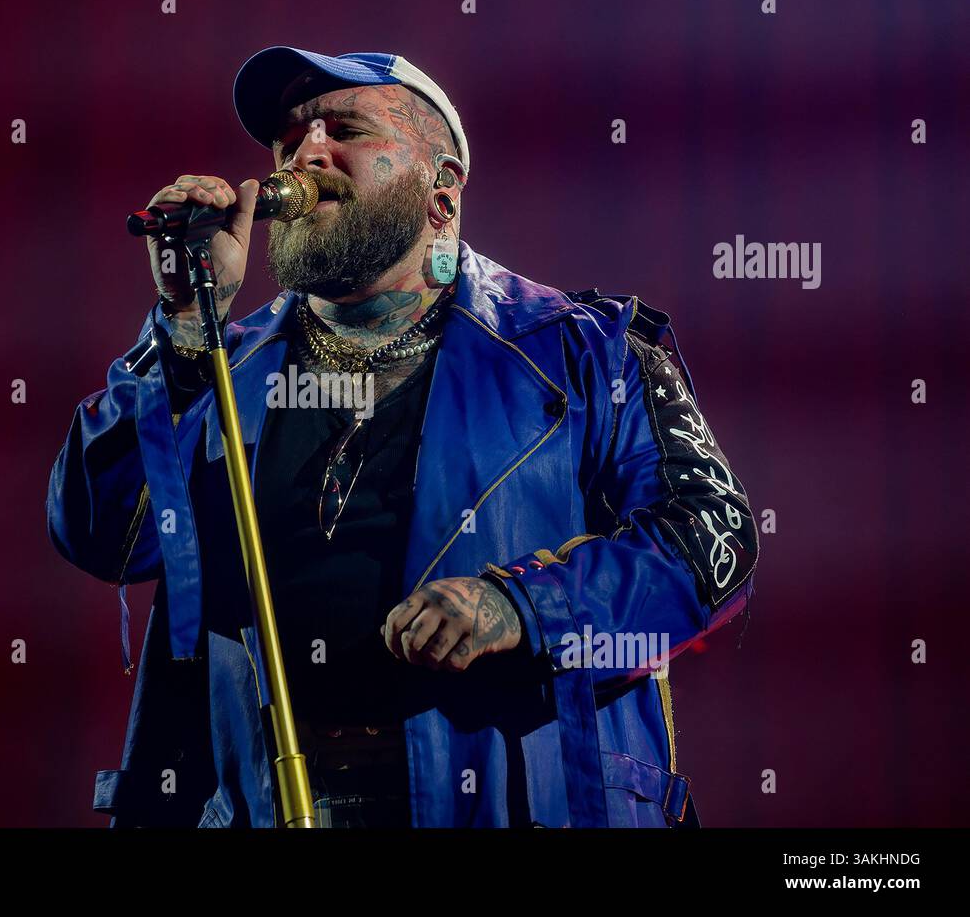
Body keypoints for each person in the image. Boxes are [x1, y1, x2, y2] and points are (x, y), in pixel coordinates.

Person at [47, 47, 759, 827]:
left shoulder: (586, 351)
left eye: (342, 129)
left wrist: (522, 607)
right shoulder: (217, 364)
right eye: (289, 142)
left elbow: (713, 544)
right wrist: (186, 324)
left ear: (441, 191)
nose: (306, 154)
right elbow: (104, 536)